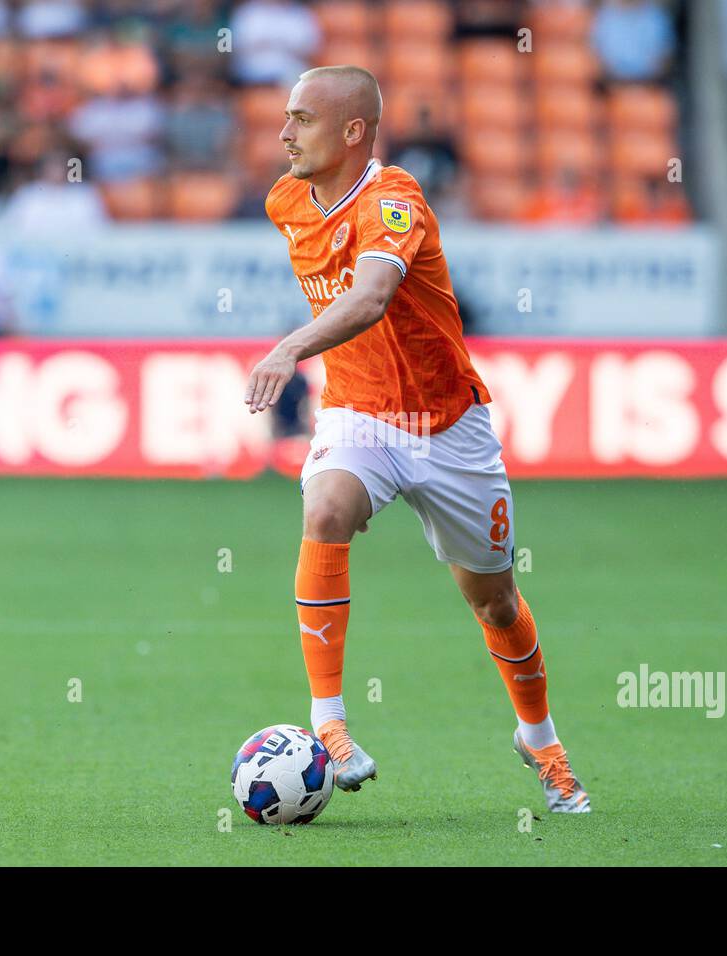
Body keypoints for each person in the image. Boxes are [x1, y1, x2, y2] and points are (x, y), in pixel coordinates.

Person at [244, 66, 591, 813]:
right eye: (286, 117)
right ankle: (330, 724)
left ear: (353, 132)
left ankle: (541, 741)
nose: (283, 134)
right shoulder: (285, 201)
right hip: (357, 413)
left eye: (301, 119)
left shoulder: (395, 201)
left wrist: (287, 348)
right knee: (326, 510)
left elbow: (370, 297)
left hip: (448, 427)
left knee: (494, 602)